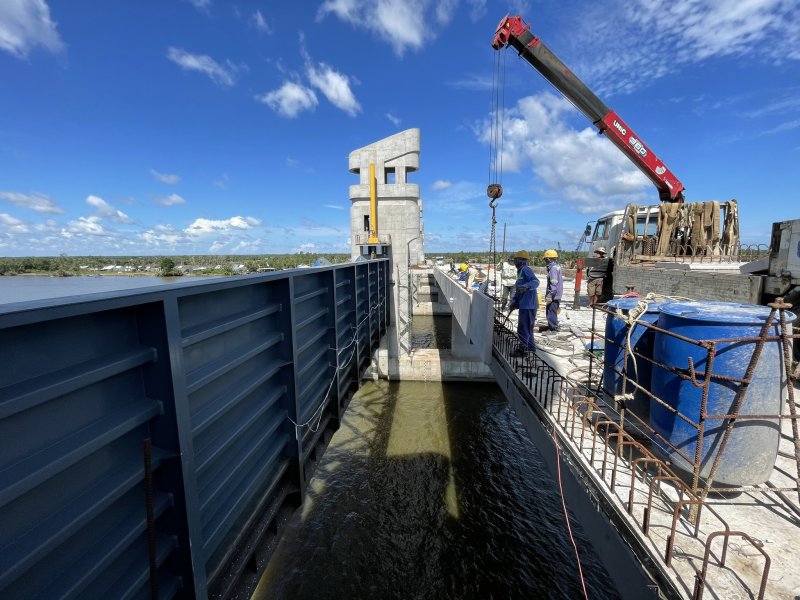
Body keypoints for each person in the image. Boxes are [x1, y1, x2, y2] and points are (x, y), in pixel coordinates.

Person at [509, 250, 540, 355]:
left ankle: (522, 350)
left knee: (523, 328)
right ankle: (531, 347)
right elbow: (519, 291)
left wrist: (526, 287)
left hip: (528, 305)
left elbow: (536, 282)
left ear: (521, 260)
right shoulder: (520, 272)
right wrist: (514, 302)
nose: (515, 262)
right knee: (528, 328)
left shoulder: (526, 270)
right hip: (525, 304)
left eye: (516, 260)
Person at [541, 249, 563, 332]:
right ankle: (553, 325)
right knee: (552, 311)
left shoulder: (553, 269)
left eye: (545, 259)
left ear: (549, 259)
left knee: (551, 312)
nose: (545, 261)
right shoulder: (556, 267)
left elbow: (554, 283)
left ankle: (553, 329)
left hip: (554, 294)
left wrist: (550, 295)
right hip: (557, 294)